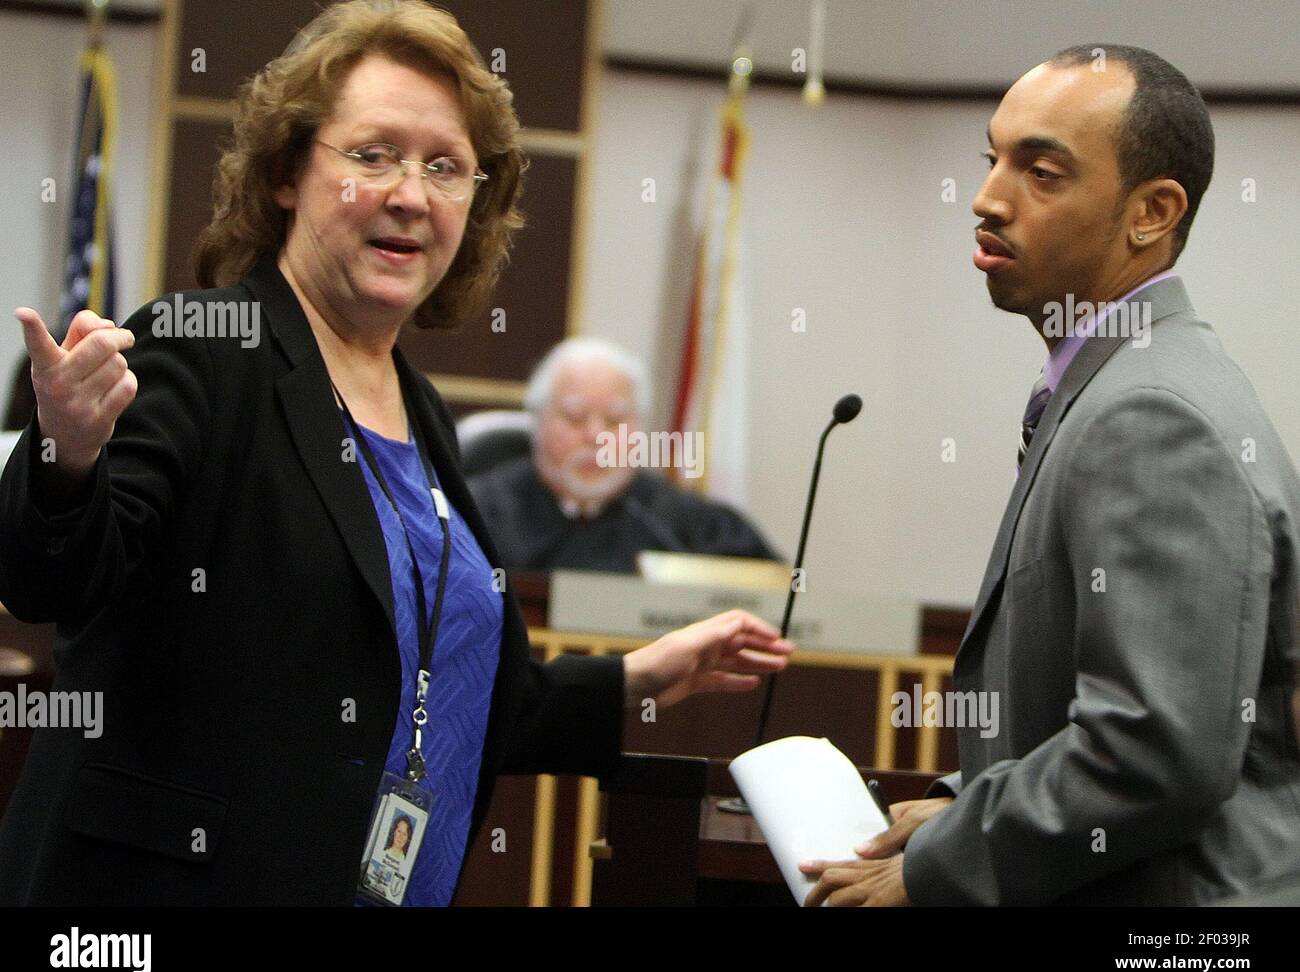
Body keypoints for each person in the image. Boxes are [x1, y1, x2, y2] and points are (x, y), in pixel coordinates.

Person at [0, 0, 791, 906]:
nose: (411, 193)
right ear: (289, 172)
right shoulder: (201, 346)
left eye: (445, 167)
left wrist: (636, 678)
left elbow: (434, 690)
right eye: (373, 154)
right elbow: (54, 579)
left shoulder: (422, 412)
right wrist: (65, 460)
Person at [801, 44, 1300, 906]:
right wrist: (964, 809)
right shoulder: (1116, 384)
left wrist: (943, 868)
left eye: (1041, 171)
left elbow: (1153, 754)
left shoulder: (1153, 415)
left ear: (1153, 211)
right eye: (991, 159)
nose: (988, 198)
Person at [468, 338, 779, 572]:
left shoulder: (688, 525)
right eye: (575, 418)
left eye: (615, 421)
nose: (595, 437)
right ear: (538, 421)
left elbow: (772, 603)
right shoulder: (476, 513)